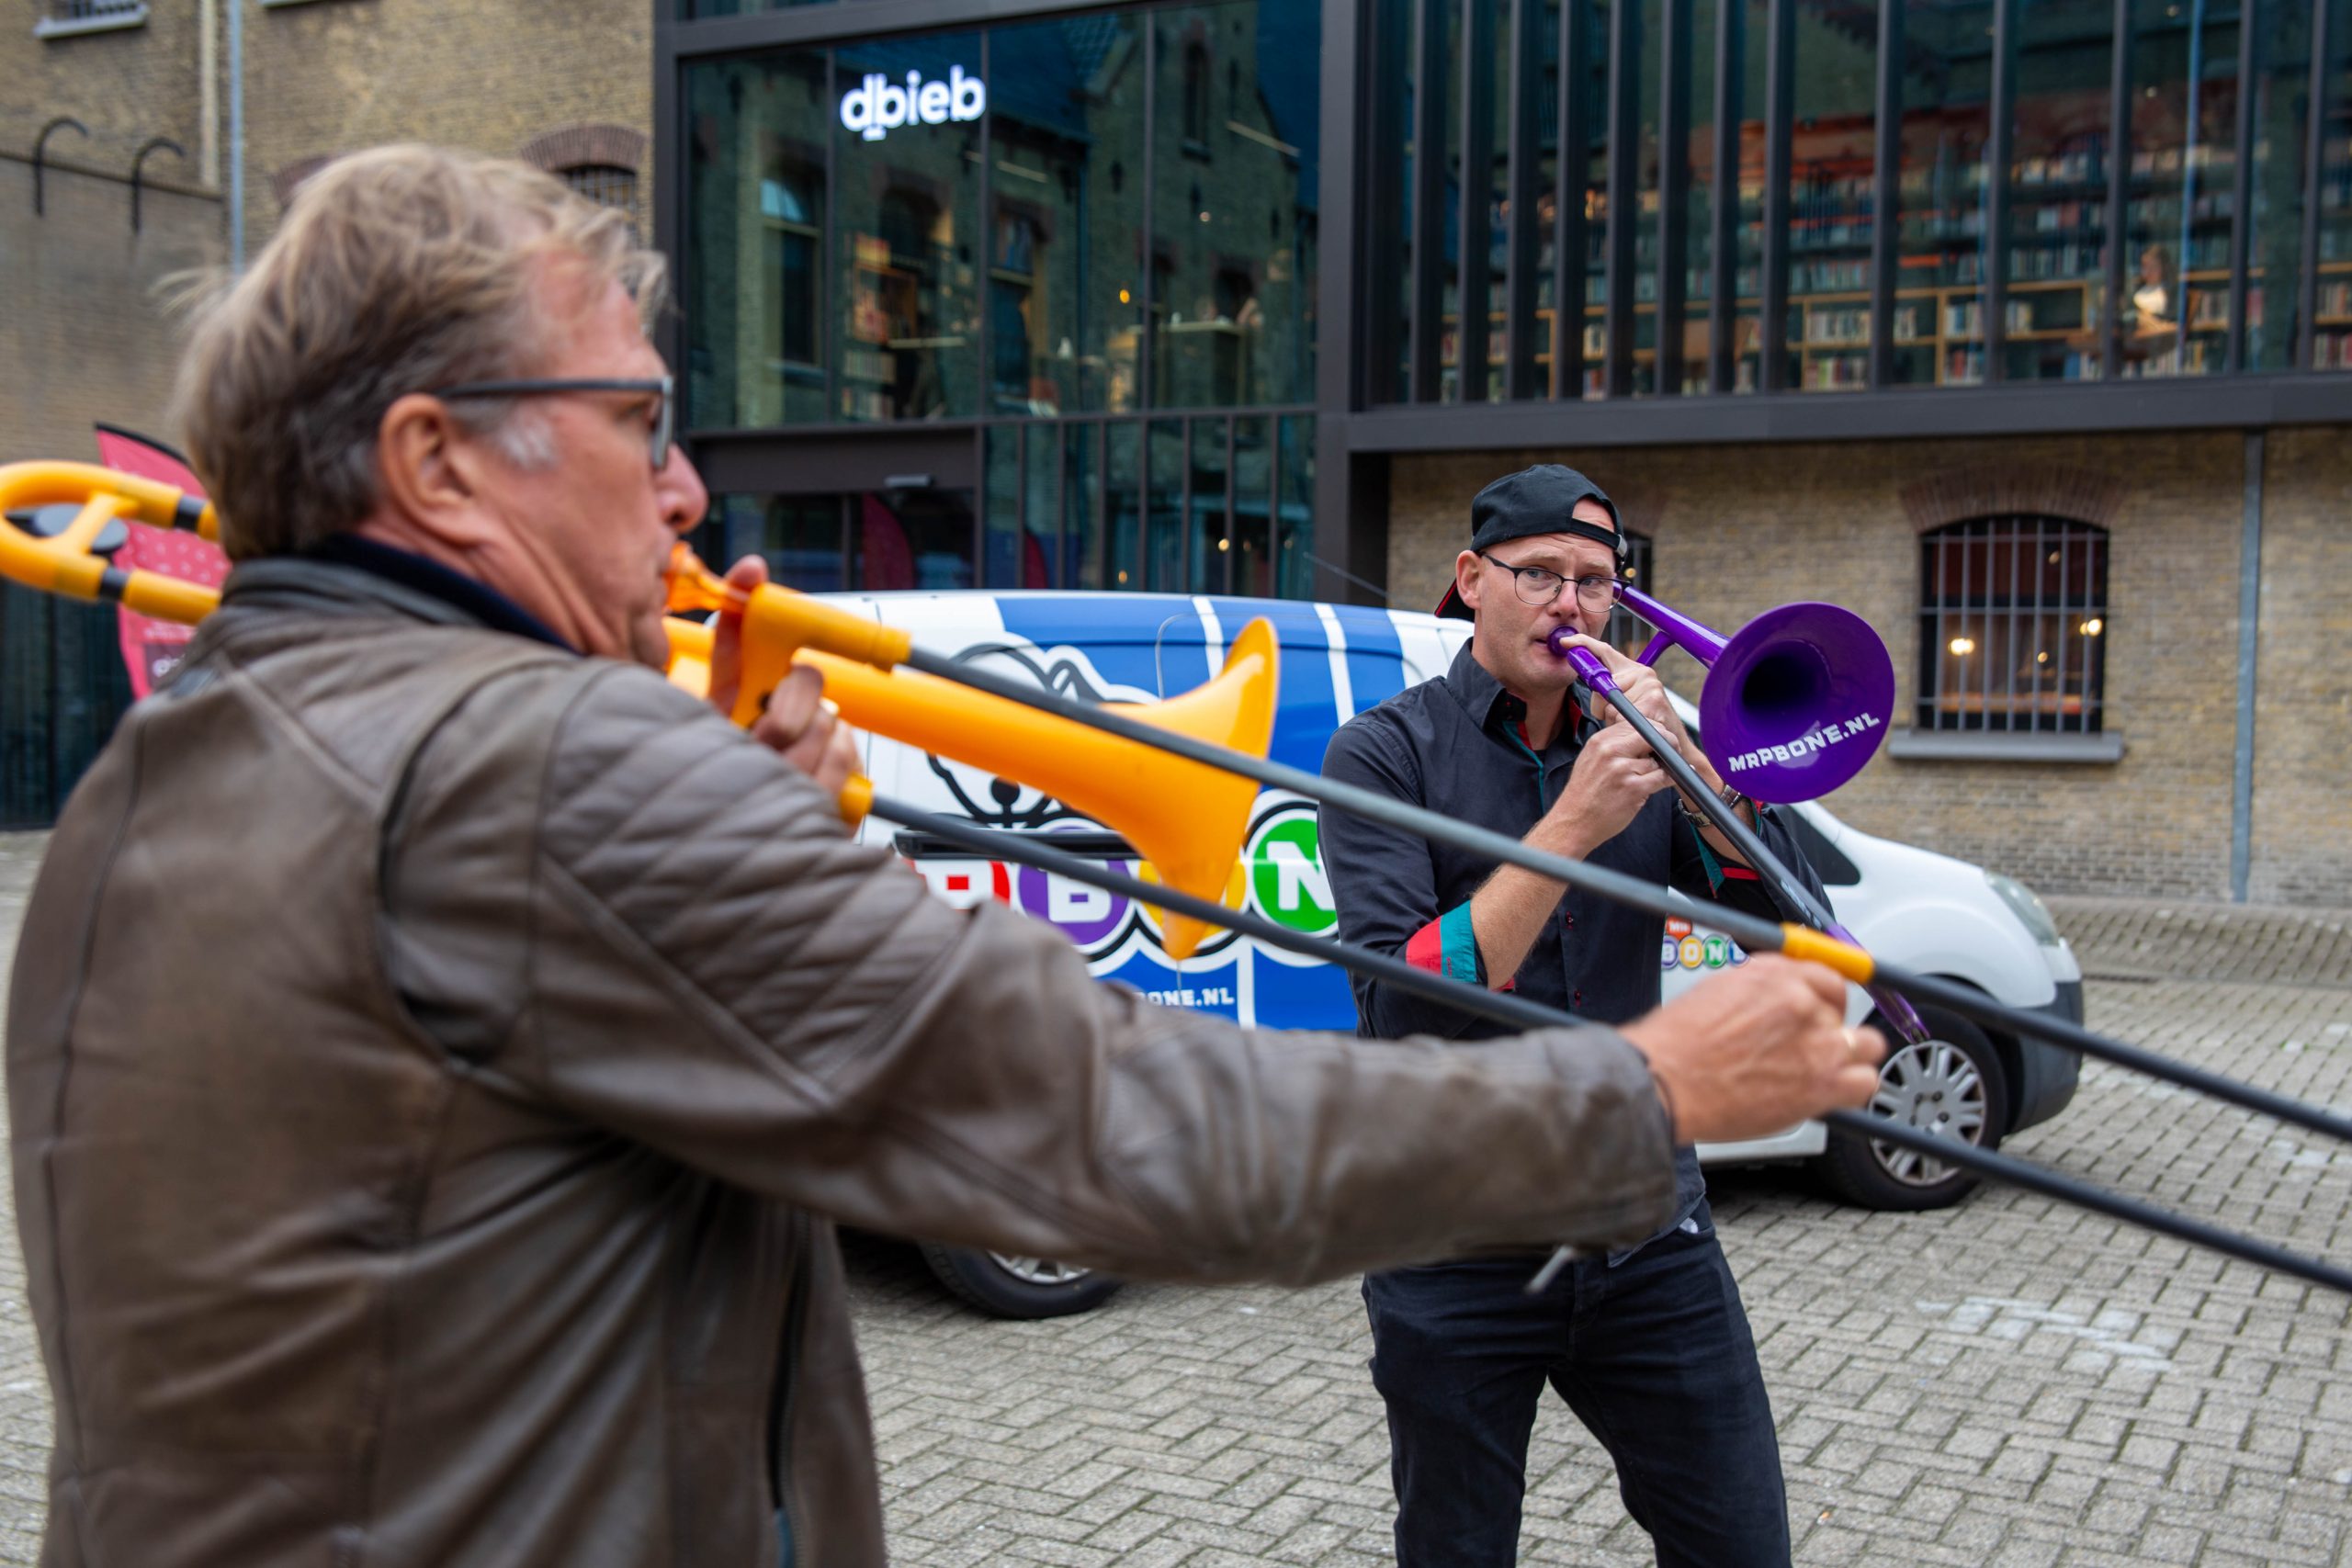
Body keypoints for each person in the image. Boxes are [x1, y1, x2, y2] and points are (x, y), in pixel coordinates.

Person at [5, 148, 1881, 1568]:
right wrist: (1643, 1087)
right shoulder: (550, 766)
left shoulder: (156, 777)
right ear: (433, 461)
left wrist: (765, 827)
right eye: (637, 423)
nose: (682, 492)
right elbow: (1105, 1126)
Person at [1322, 463, 1869, 1568]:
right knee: (1456, 1550)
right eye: (1540, 576)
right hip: (1453, 1246)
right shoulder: (1381, 754)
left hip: (1646, 1235)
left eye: (1595, 581)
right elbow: (1402, 1007)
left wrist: (1711, 776)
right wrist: (1571, 826)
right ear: (1473, 580)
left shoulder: (1640, 746)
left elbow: (1798, 936)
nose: (1570, 604)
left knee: (1741, 1545)